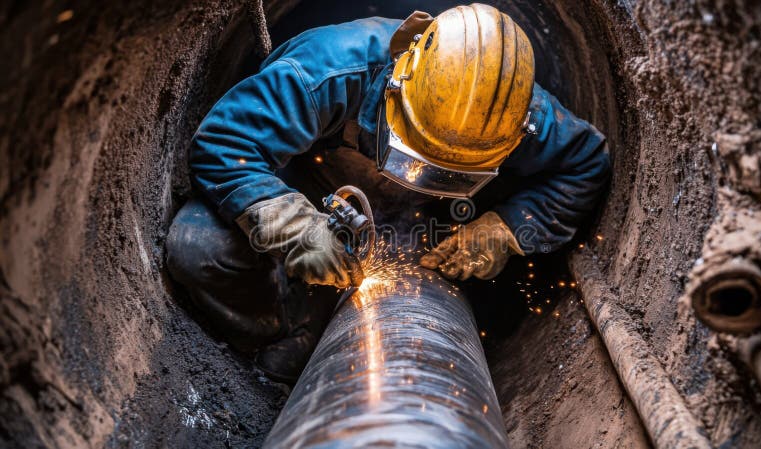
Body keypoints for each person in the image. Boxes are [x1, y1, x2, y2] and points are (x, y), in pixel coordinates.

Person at [166, 3, 609, 382]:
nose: (429, 170)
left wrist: (506, 229)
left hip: (434, 225)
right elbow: (226, 142)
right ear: (397, 93)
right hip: (320, 196)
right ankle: (282, 323)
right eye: (422, 154)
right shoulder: (328, 70)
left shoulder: (520, 114)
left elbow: (586, 164)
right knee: (197, 246)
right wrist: (294, 226)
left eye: (455, 167)